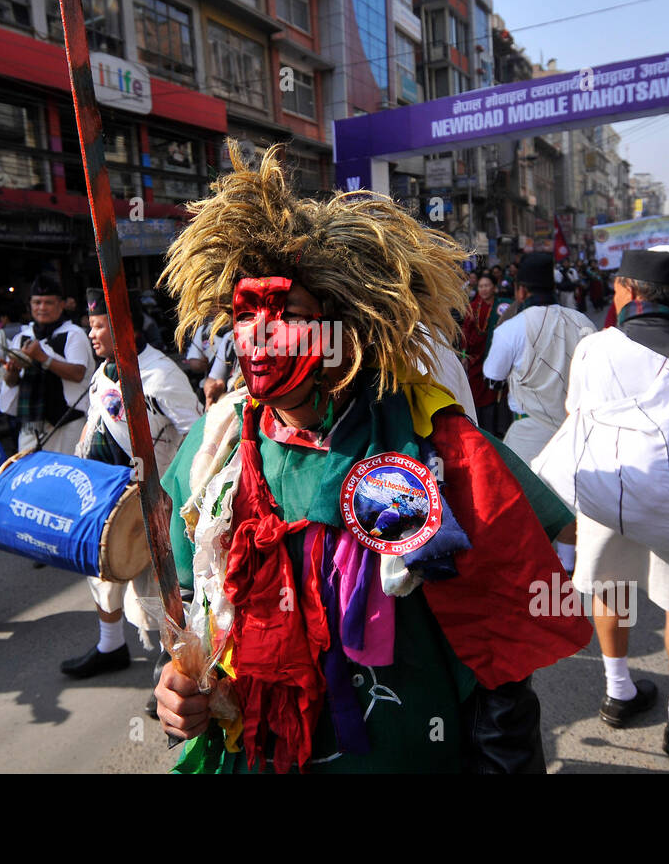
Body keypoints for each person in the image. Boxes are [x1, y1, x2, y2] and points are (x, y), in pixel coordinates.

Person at [152, 143, 590, 773]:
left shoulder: (438, 448)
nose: (261, 336)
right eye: (246, 315)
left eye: (291, 315)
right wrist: (178, 692)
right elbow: (197, 624)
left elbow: (501, 648)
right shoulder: (210, 459)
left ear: (348, 330)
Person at [561, 249, 669, 761]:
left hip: (611, 485)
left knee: (611, 586)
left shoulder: (594, 349)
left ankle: (619, 693)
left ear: (630, 291)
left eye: (615, 286)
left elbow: (576, 414)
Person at [61, 289, 201, 703]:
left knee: (157, 586)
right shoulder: (104, 373)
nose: (93, 334)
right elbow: (94, 422)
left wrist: (177, 492)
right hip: (107, 494)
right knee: (103, 572)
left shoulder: (161, 374)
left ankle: (169, 669)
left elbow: (195, 433)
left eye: (100, 325)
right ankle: (110, 647)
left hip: (152, 497)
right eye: (91, 326)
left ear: (126, 327)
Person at [482, 253, 594, 575]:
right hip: (575, 425)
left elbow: (493, 377)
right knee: (571, 497)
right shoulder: (583, 322)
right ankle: (568, 562)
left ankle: (535, 567)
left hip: (528, 428)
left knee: (523, 500)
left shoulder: (513, 328)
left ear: (520, 292)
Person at [0, 275, 94, 453]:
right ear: (30, 305)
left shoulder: (73, 334)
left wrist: (43, 357)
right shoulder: (22, 337)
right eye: (37, 302)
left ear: (61, 304)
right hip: (31, 424)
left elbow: (78, 374)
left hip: (67, 422)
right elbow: (11, 382)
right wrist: (11, 371)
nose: (42, 308)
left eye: (48, 302)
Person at [460, 274, 511, 436]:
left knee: (495, 392)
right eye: (481, 286)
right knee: (477, 393)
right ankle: (480, 428)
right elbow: (466, 333)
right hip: (476, 358)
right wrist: (463, 355)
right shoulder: (472, 307)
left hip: (495, 355)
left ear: (494, 287)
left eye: (487, 285)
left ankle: (498, 428)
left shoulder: (502, 307)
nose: (483, 289)